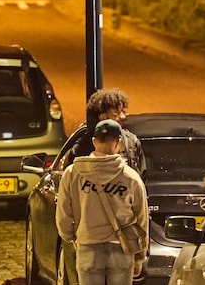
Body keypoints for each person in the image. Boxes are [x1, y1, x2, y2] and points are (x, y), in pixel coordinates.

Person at [56, 120, 149, 285]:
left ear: (94, 142)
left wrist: (71, 236)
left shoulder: (72, 174)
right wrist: (139, 256)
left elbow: (63, 213)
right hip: (121, 248)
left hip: (88, 246)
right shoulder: (131, 178)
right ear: (119, 143)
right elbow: (142, 218)